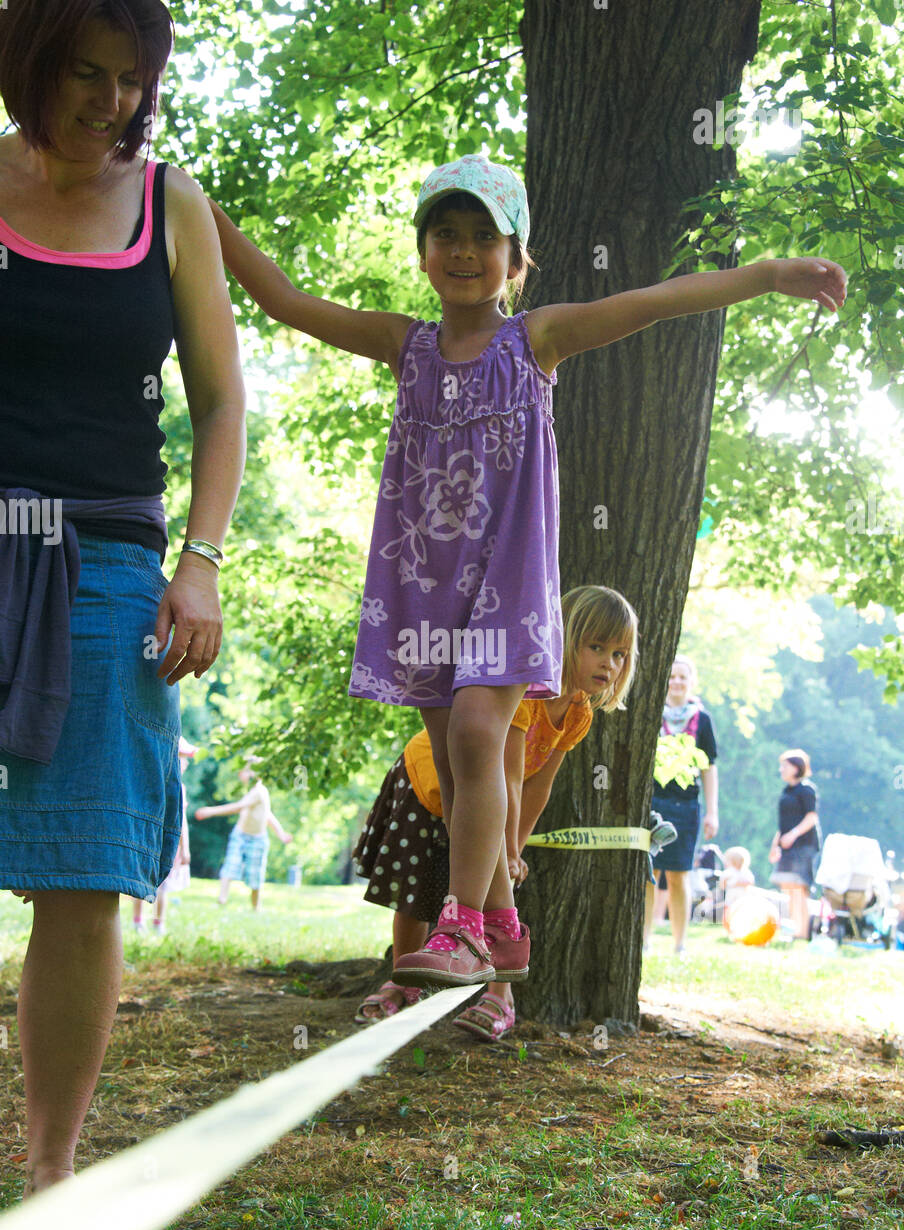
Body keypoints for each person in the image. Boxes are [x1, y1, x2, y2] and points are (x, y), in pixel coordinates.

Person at [208, 151, 845, 988]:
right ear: (423, 250)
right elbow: (285, 299)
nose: (465, 251)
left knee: (479, 736)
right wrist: (186, 202)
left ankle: (464, 924)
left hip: (508, 588)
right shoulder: (406, 345)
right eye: (447, 234)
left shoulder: (535, 339)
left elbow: (650, 302)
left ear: (517, 258)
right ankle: (505, 924)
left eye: (486, 237)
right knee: (459, 758)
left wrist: (763, 275)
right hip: (423, 586)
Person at [0, 0, 246, 1199]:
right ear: (30, 67)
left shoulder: (173, 206)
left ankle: (49, 1166)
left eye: (132, 79)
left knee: (83, 873)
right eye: (86, 76)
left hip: (105, 562)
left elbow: (219, 401)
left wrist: (200, 558)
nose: (111, 102)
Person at [353, 586, 638, 1039]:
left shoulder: (577, 713)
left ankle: (497, 997)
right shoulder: (525, 692)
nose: (609, 663)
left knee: (487, 897)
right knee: (416, 896)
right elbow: (505, 775)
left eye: (620, 654)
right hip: (429, 789)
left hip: (482, 805)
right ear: (563, 641)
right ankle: (403, 981)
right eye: (597, 647)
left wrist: (514, 850)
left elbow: (537, 784)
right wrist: (503, 846)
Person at [644, 656, 719, 955]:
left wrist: (712, 811)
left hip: (686, 805)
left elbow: (709, 767)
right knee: (648, 875)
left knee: (678, 875)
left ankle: (679, 944)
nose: (676, 682)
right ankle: (644, 940)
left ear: (691, 682)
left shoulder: (702, 719)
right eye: (672, 676)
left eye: (682, 677)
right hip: (652, 801)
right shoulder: (652, 713)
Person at [195, 761, 292, 909]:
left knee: (255, 875)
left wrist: (211, 811)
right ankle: (222, 899)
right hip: (240, 835)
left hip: (257, 838)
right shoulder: (251, 792)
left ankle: (256, 906)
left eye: (247, 771)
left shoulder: (259, 791)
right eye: (244, 771)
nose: (242, 774)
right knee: (230, 866)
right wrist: (280, 833)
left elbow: (253, 811)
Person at [130, 736, 197, 934]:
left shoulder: (176, 787)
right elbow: (179, 820)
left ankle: (158, 923)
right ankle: (138, 921)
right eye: (181, 758)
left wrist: (185, 848)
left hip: (168, 844)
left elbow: (181, 820)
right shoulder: (159, 784)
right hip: (154, 841)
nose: (185, 763)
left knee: (164, 886)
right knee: (142, 882)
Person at [768, 748, 820, 940]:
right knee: (788, 888)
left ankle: (803, 932)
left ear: (796, 768)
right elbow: (783, 824)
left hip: (804, 845)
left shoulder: (807, 790)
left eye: (785, 766)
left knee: (799, 888)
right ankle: (794, 929)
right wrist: (776, 845)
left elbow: (811, 817)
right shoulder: (787, 791)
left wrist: (794, 834)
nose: (781, 769)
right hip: (787, 846)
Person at [719, 845, 755, 917]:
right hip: (733, 896)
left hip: (741, 896)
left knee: (735, 910)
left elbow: (750, 882)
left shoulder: (744, 872)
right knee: (731, 910)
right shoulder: (728, 872)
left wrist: (736, 883)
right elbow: (722, 885)